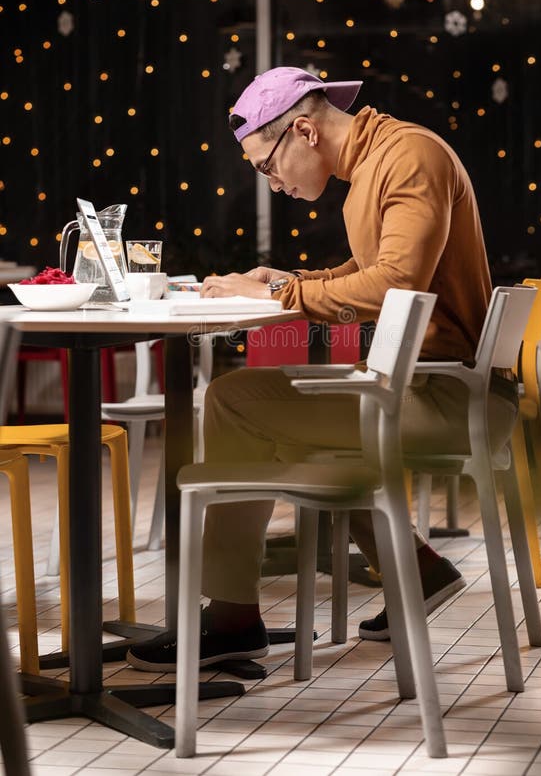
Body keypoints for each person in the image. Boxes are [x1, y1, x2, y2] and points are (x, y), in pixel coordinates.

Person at [127, 66, 518, 672]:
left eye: (266, 166)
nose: (272, 184)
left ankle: (232, 617)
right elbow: (374, 270)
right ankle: (416, 569)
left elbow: (395, 282)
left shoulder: (409, 157)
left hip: (448, 398)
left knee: (235, 401)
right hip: (432, 386)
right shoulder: (377, 162)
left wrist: (278, 300)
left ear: (305, 130)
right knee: (269, 411)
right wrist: (290, 281)